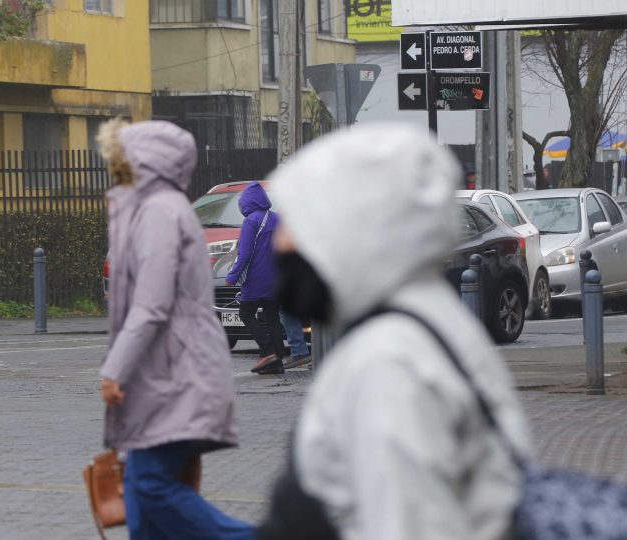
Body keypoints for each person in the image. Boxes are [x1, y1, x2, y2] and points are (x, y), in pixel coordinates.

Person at [258, 124, 531, 540]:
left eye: (297, 222)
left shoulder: (388, 362)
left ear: (352, 230)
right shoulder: (419, 320)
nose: (280, 243)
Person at [97, 119, 254, 540]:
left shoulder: (160, 212)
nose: (113, 168)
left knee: (149, 485)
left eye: (120, 159)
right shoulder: (159, 209)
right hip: (170, 371)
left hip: (177, 373)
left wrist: (114, 369)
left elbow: (151, 304)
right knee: (141, 498)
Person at [224, 181, 287, 375]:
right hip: (276, 278)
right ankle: (277, 362)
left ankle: (267, 351)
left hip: (256, 279)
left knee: (246, 314)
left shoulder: (251, 221)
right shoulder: (277, 219)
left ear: (247, 203)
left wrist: (232, 277)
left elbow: (244, 254)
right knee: (272, 317)